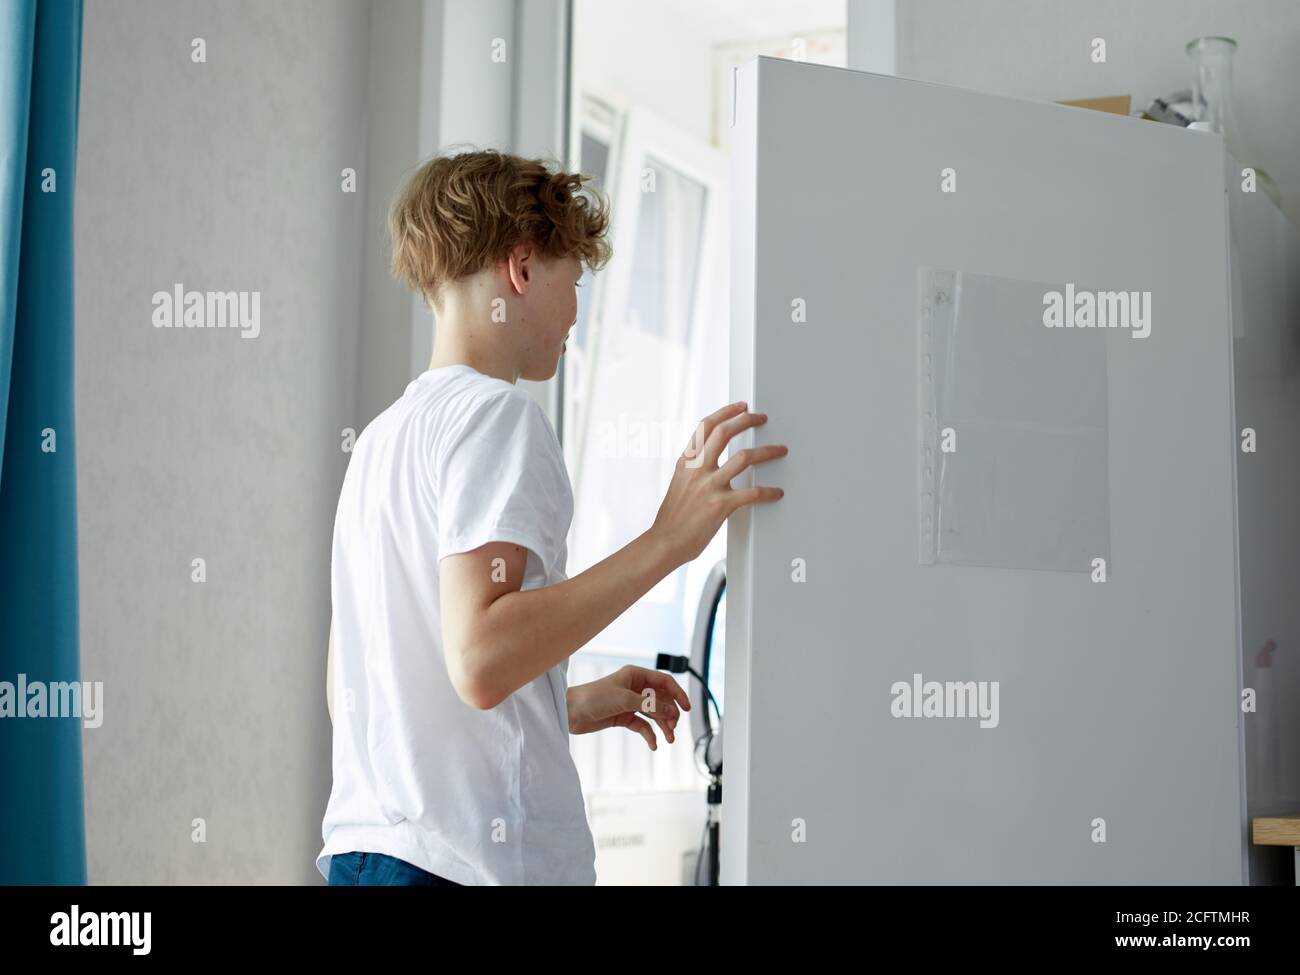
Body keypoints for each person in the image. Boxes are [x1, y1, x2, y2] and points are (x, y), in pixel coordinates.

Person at [318, 149, 787, 885]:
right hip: (473, 865)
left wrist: (557, 703)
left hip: (373, 852)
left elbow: (368, 689)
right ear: (523, 268)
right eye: (576, 283)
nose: (577, 316)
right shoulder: (497, 417)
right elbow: (478, 659)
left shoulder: (380, 441)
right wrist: (669, 540)